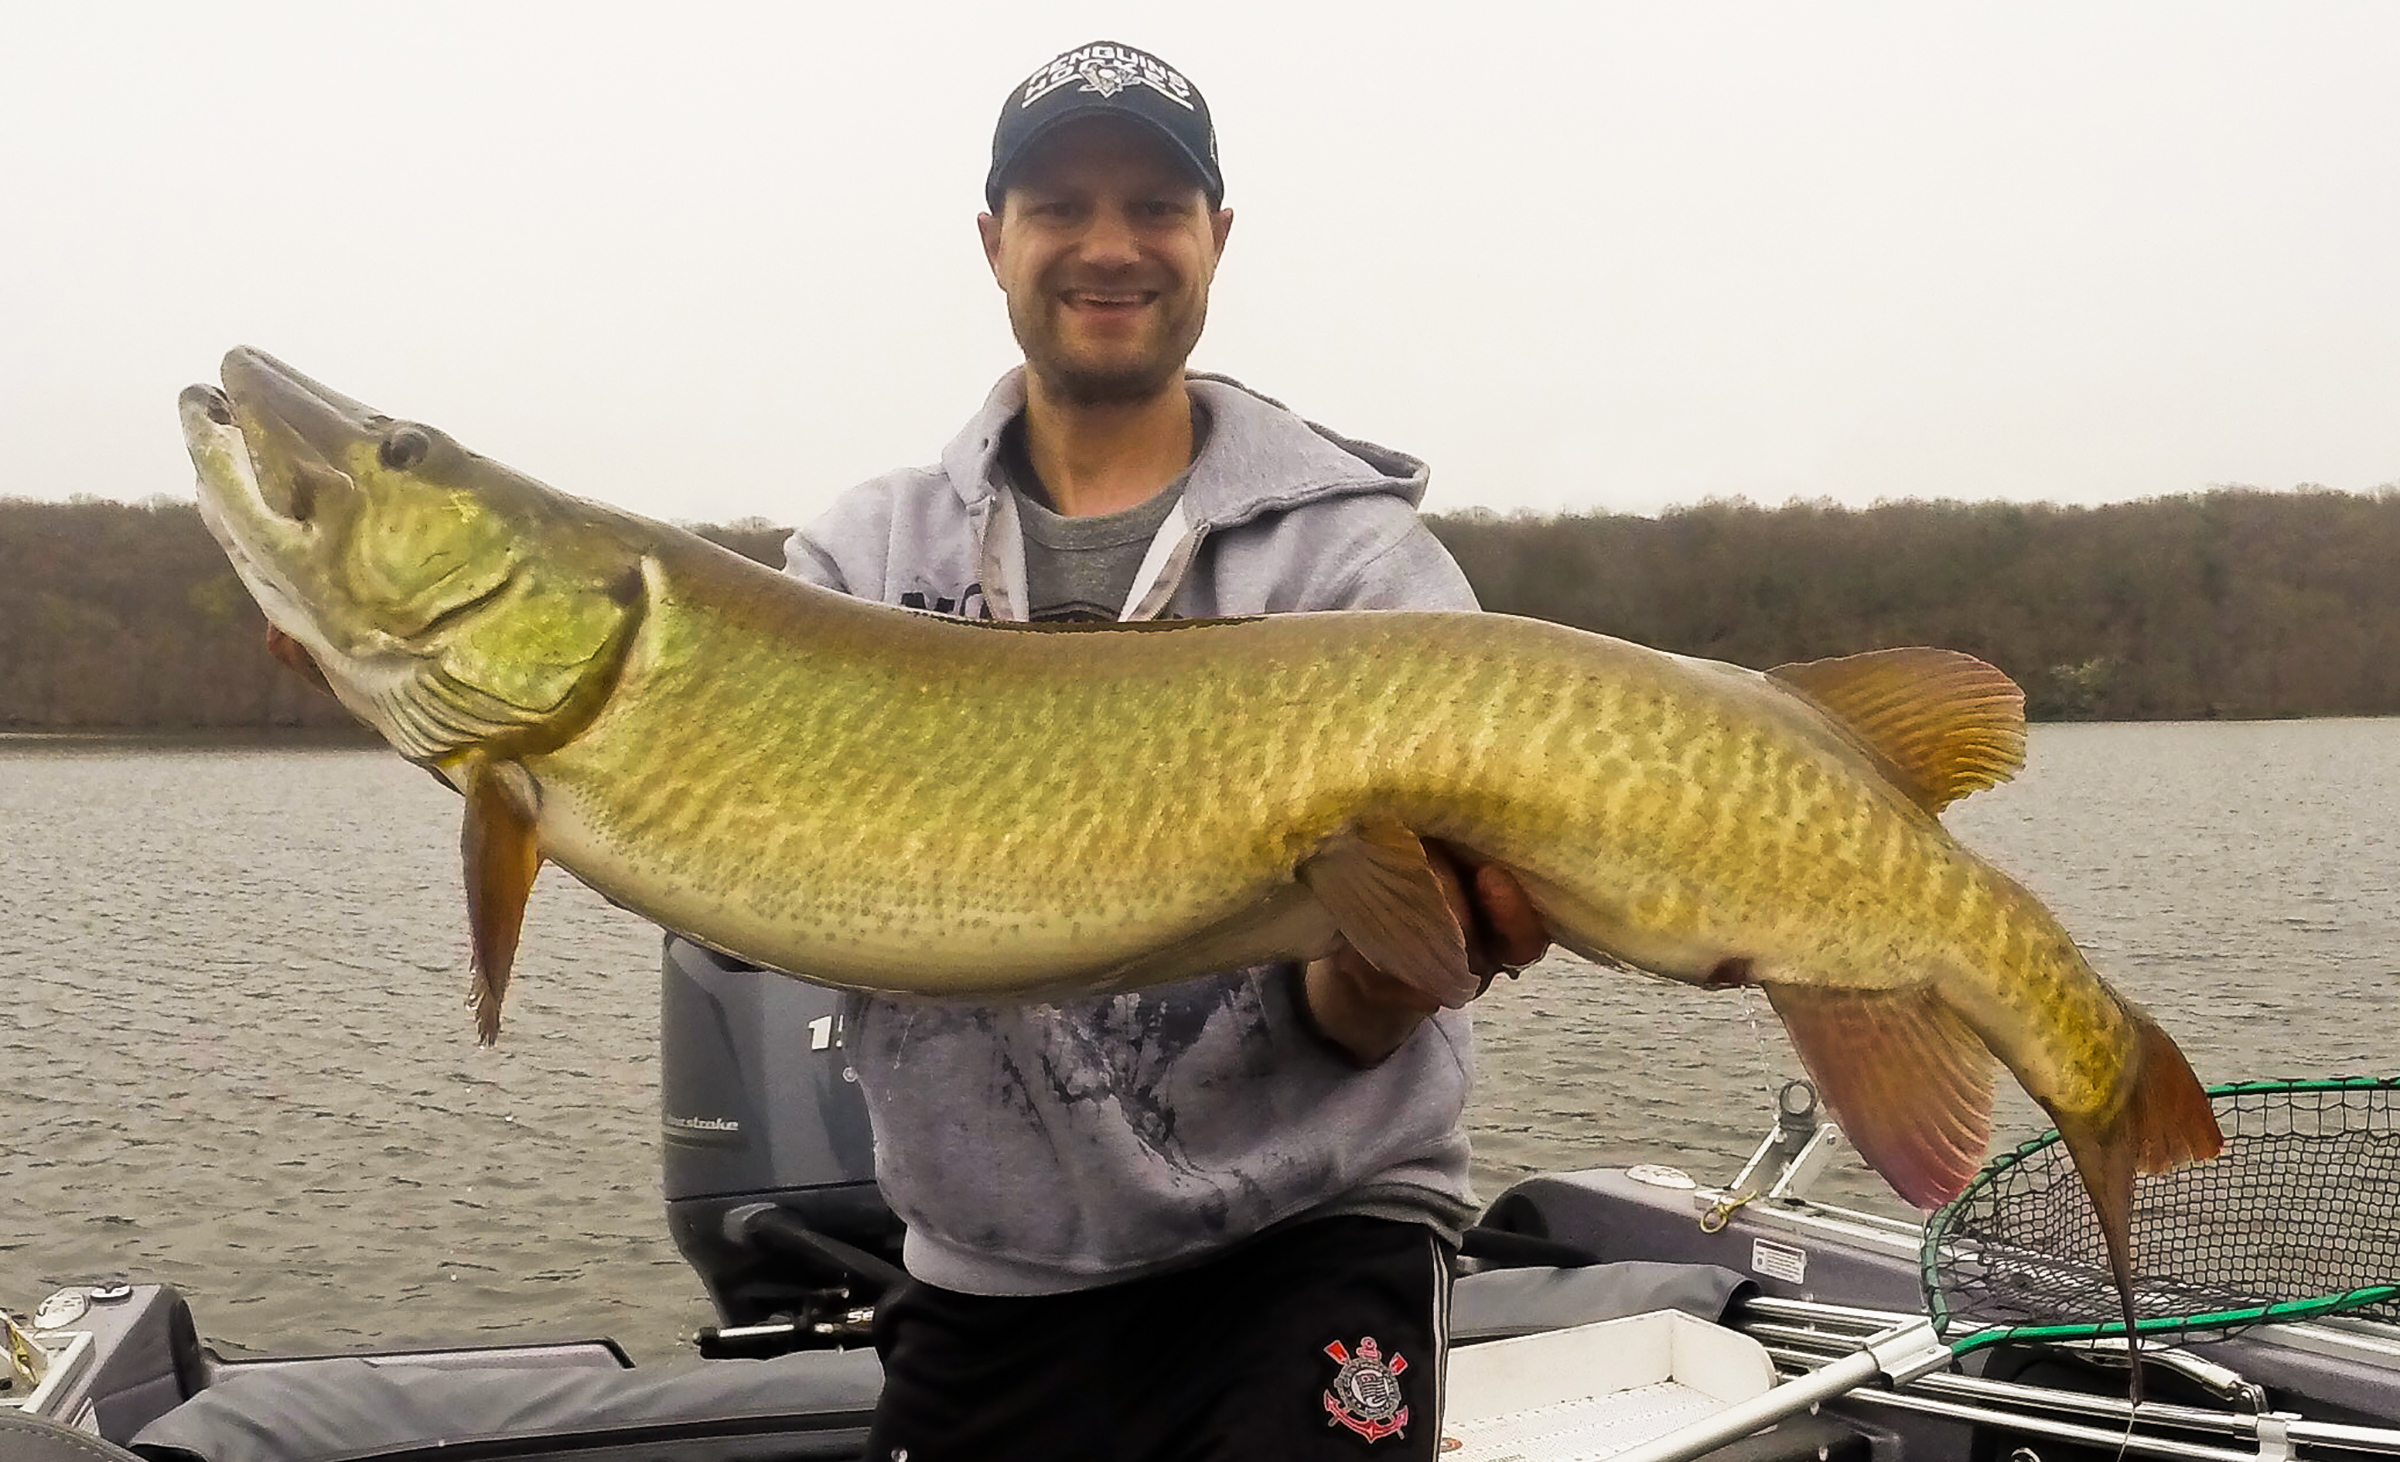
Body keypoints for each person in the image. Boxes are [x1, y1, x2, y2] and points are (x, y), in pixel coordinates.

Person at [782, 40, 1548, 1461]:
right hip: (984, 1276)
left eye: (1155, 205)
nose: (1109, 245)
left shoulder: (1356, 567)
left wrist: (1398, 968)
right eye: (1060, 206)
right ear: (994, 241)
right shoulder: (861, 564)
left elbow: (1364, 1012)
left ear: (1216, 238)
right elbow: (742, 879)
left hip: (1306, 1241)